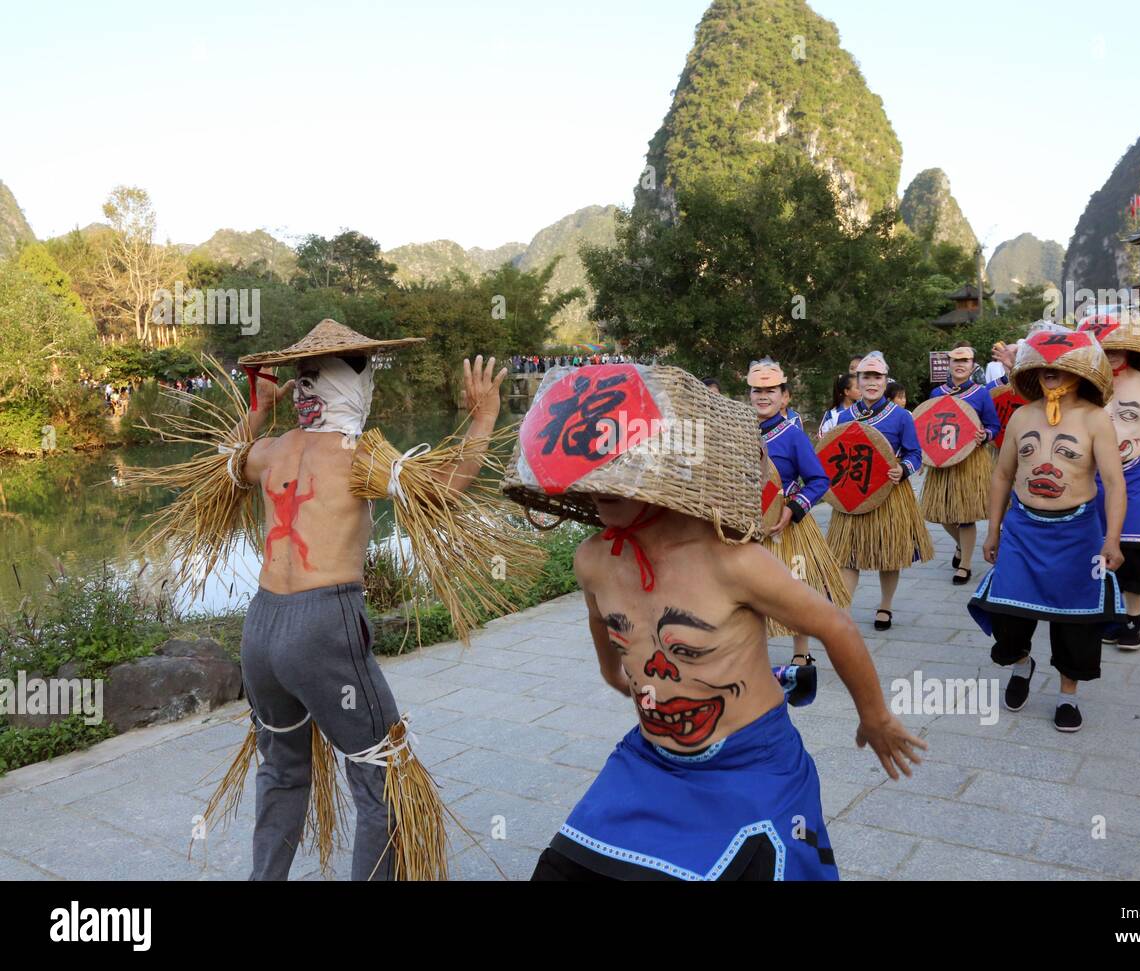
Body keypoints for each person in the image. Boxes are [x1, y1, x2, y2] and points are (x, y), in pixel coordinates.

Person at [500, 363, 925, 881]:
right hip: (651, 761)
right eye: (589, 475)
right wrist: (650, 687)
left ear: (659, 461)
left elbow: (837, 626)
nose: (597, 486)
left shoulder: (733, 560)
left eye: (617, 467)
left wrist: (875, 717)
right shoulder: (592, 559)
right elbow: (613, 660)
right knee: (563, 873)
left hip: (751, 764)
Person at [189, 320, 503, 880]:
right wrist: (482, 418)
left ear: (305, 384)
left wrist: (259, 410)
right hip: (322, 627)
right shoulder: (362, 458)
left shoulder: (269, 452)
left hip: (260, 630)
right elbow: (450, 487)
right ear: (353, 384)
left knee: (281, 771)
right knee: (382, 778)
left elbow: (223, 463)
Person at [969, 330, 1125, 733]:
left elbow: (1114, 480)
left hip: (1078, 535)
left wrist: (1112, 539)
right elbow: (1003, 474)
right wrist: (993, 530)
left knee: (1076, 623)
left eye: (1058, 367)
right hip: (1022, 531)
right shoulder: (1022, 416)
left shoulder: (1095, 419)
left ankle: (1067, 696)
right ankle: (1021, 664)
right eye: (1042, 367)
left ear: (1079, 373)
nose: (1050, 373)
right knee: (1007, 622)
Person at [1079, 320, 1140, 650]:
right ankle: (1106, 612)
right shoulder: (1083, 384)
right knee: (1094, 548)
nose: (1111, 353)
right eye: (1104, 348)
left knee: (1133, 549)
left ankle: (1132, 620)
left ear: (1130, 348)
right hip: (1091, 475)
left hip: (1136, 473)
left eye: (1116, 347)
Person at [749, 359, 850, 676]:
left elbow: (819, 481)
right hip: (751, 529)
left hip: (788, 527)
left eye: (770, 390)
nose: (763, 396)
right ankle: (752, 653)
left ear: (784, 396)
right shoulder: (739, 432)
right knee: (751, 592)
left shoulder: (793, 435)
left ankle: (801, 654)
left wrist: (793, 508)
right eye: (756, 390)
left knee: (795, 588)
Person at [824, 352, 934, 631]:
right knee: (847, 555)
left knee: (888, 554)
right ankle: (844, 613)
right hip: (851, 494)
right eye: (866, 377)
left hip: (889, 494)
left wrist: (904, 469)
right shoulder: (843, 417)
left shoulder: (901, 417)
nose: (871, 382)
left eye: (877, 377)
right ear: (857, 381)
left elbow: (915, 454)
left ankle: (885, 605)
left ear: (886, 380)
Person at [920, 342, 1001, 584]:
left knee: (966, 516)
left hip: (970, 461)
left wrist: (984, 435)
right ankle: (960, 546)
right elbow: (925, 426)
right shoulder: (936, 394)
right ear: (949, 363)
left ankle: (964, 564)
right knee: (942, 515)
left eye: (965, 360)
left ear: (973, 365)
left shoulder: (981, 393)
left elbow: (994, 426)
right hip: (941, 462)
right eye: (956, 360)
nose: (960, 365)